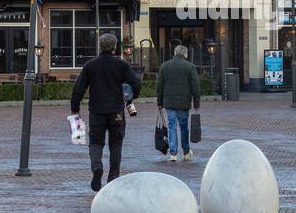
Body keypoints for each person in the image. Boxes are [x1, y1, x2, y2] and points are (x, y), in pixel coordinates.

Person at [71, 32, 142, 192]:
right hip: (116, 111)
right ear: (115, 47)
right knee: (116, 144)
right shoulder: (122, 65)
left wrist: (75, 107)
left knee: (96, 142)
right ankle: (113, 177)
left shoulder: (91, 65)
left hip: (96, 111)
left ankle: (97, 166)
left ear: (100, 46)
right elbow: (135, 84)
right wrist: (130, 97)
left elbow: (79, 88)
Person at [156, 43, 201, 162]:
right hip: (183, 102)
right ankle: (186, 152)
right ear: (185, 53)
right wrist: (196, 102)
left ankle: (173, 153)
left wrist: (159, 102)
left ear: (175, 53)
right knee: (184, 127)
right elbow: (195, 86)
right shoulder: (190, 67)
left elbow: (159, 86)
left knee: (172, 126)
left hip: (169, 102)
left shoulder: (165, 66)